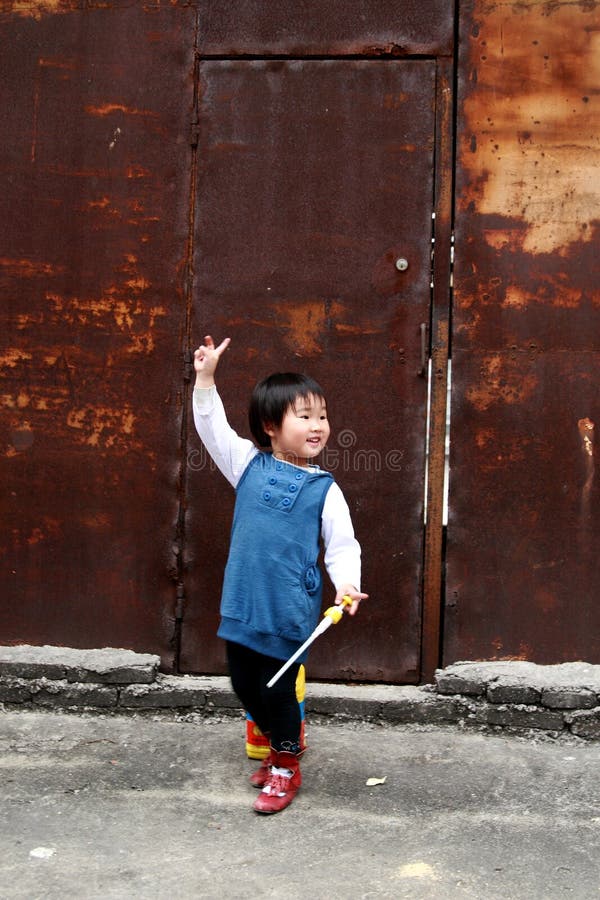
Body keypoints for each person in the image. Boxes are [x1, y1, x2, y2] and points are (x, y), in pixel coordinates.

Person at [192, 335, 367, 814]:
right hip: (242, 601)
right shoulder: (246, 465)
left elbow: (341, 545)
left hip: (288, 607)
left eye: (323, 416)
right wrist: (205, 378)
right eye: (305, 416)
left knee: (277, 687)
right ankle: (279, 746)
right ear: (271, 425)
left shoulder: (325, 490)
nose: (318, 426)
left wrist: (346, 585)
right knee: (244, 686)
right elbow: (212, 428)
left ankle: (286, 763)